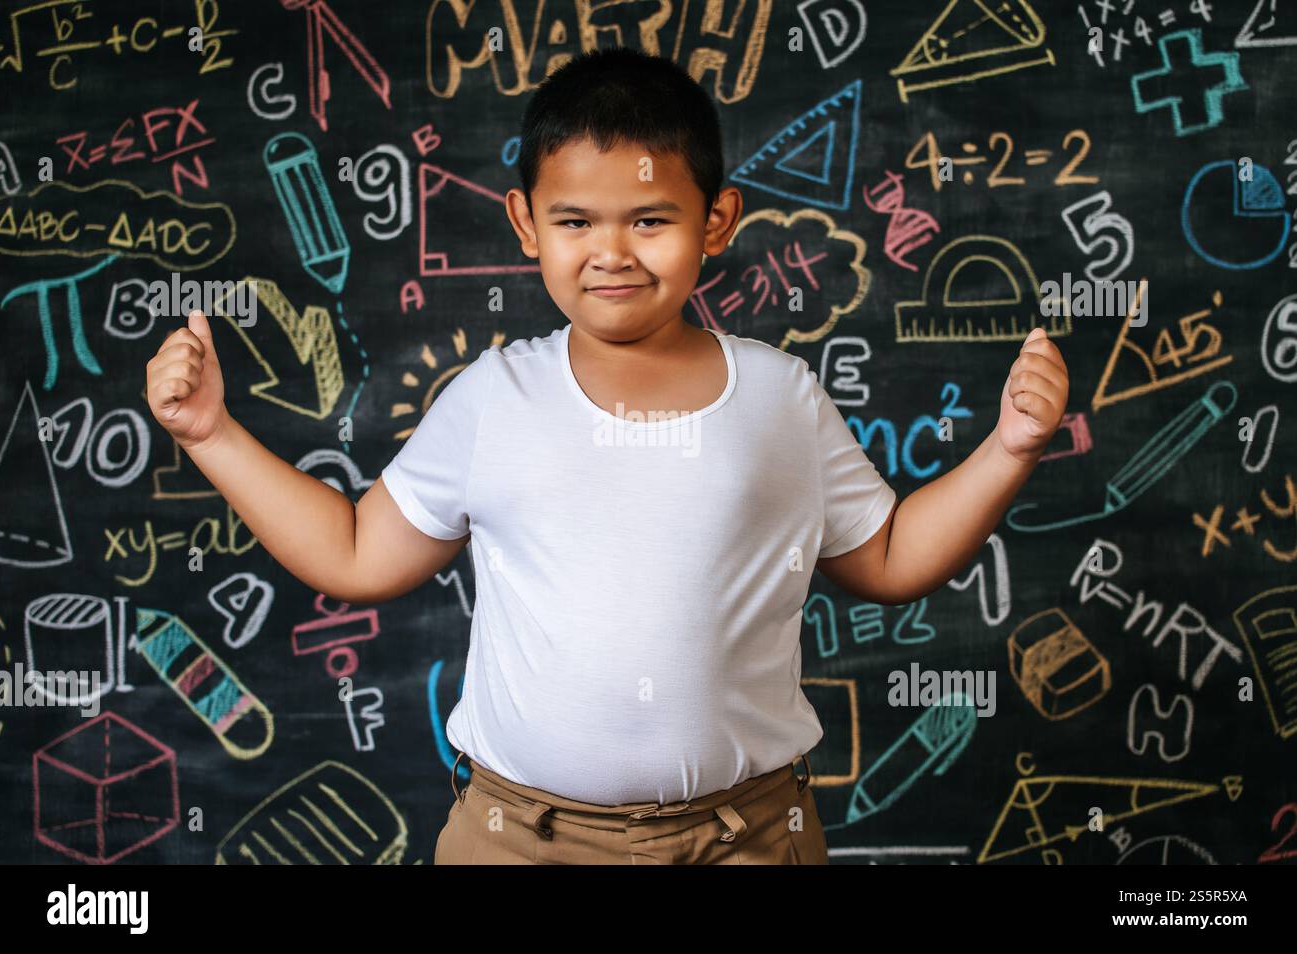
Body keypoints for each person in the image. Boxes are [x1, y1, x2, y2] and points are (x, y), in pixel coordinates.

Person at [145, 47, 1068, 865]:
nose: (611, 253)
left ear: (717, 221)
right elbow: (352, 551)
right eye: (576, 221)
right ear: (524, 223)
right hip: (517, 839)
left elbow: (892, 556)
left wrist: (1010, 448)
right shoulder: (491, 400)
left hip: (743, 837)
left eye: (652, 220)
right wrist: (212, 434)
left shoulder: (781, 398)